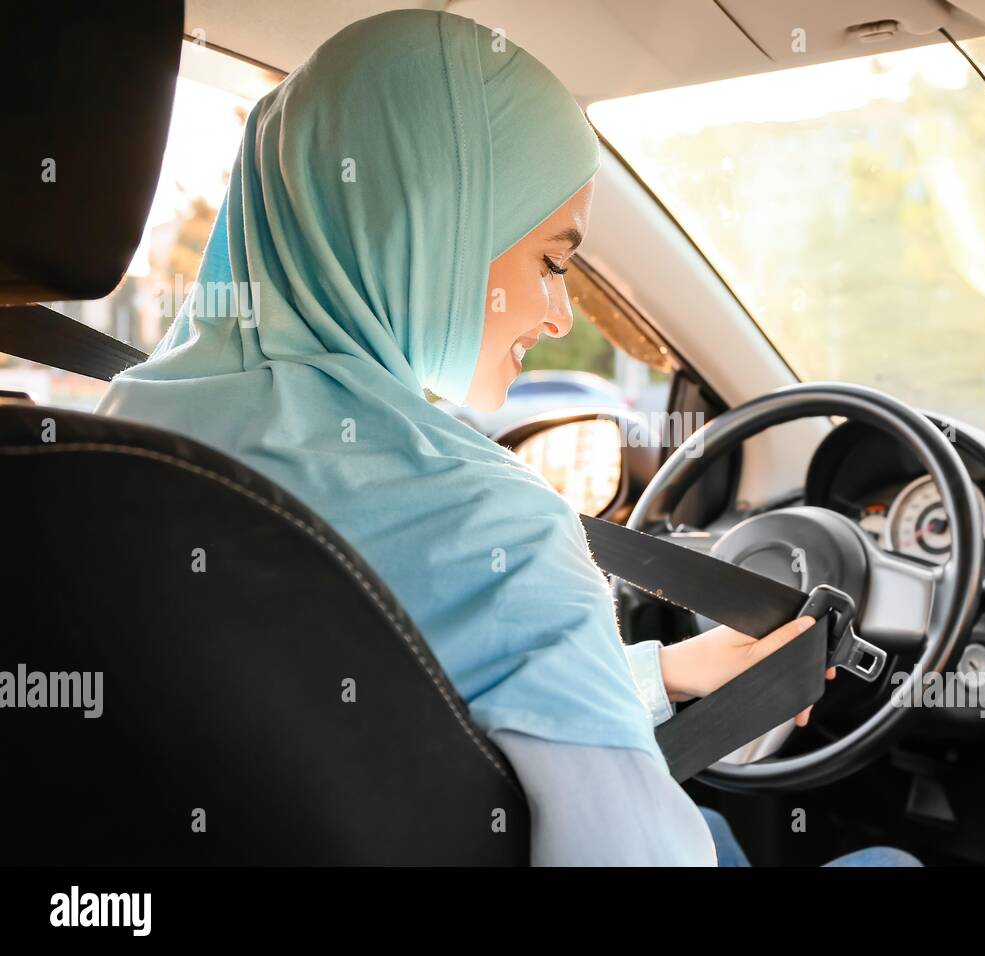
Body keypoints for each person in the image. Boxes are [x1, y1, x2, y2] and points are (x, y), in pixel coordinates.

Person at [99, 9, 917, 867]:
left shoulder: (110, 444)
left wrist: (662, 676)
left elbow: (347, 728)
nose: (562, 312)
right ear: (433, 227)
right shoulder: (493, 523)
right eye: (553, 262)